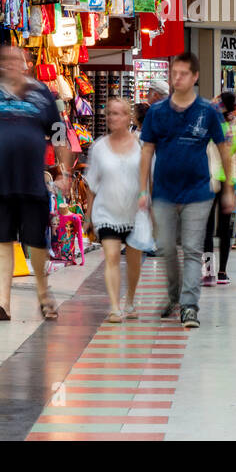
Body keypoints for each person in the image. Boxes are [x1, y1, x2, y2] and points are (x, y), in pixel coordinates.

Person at [139, 52, 236, 329]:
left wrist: (228, 188)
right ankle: (174, 297)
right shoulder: (157, 112)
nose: (177, 78)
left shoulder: (208, 112)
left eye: (183, 73)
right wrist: (142, 190)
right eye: (174, 73)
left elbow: (224, 149)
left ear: (195, 77)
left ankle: (190, 306)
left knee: (192, 249)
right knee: (167, 248)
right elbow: (147, 151)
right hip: (164, 192)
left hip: (198, 191)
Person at [0, 43, 72, 322]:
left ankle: (44, 294)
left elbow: (58, 133)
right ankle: (3, 303)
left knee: (37, 243)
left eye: (15, 59)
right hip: (2, 181)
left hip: (33, 181)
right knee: (4, 240)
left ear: (25, 63)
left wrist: (62, 173)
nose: (9, 63)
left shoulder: (41, 94)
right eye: (4, 59)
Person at [83, 98, 144, 323]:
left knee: (134, 260)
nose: (112, 118)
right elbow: (91, 183)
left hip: (135, 213)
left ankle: (130, 299)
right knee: (111, 256)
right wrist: (88, 216)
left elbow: (148, 179)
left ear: (128, 117)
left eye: (118, 114)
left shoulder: (140, 145)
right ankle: (115, 306)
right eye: (109, 113)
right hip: (106, 211)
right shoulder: (99, 147)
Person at [203, 91, 236, 286]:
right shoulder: (233, 130)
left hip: (210, 179)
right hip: (228, 180)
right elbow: (235, 156)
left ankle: (208, 272)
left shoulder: (211, 126)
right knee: (225, 229)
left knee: (207, 229)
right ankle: (223, 272)